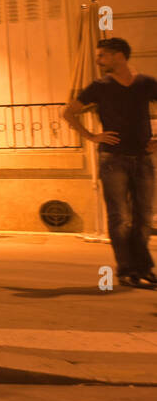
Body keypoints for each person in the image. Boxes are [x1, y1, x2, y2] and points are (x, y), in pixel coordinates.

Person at [63, 37, 157, 288]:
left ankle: (142, 267)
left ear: (119, 56)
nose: (98, 60)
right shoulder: (99, 86)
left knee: (145, 216)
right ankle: (128, 269)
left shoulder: (146, 83)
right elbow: (68, 112)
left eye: (102, 55)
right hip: (112, 158)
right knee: (120, 217)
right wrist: (92, 136)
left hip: (144, 158)